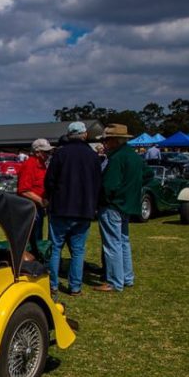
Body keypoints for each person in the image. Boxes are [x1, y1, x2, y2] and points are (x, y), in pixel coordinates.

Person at [43, 121, 102, 297]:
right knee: (78, 250)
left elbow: (50, 181)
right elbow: (98, 183)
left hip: (61, 207)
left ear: (69, 136)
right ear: (84, 135)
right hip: (84, 209)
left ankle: (52, 285)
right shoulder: (92, 156)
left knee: (55, 248)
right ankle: (75, 287)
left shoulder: (60, 155)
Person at [95, 124, 145, 293]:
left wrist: (102, 199)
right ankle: (127, 277)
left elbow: (109, 185)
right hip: (127, 205)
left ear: (115, 141)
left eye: (107, 140)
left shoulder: (116, 158)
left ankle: (114, 281)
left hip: (112, 205)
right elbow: (148, 175)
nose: (105, 143)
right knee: (123, 241)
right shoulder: (134, 157)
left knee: (112, 244)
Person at [17, 138, 52, 257]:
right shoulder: (30, 165)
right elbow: (23, 190)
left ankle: (36, 259)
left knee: (37, 238)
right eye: (46, 152)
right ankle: (30, 261)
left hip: (38, 208)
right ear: (37, 152)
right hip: (31, 209)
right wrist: (41, 201)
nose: (48, 154)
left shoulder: (41, 165)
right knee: (32, 239)